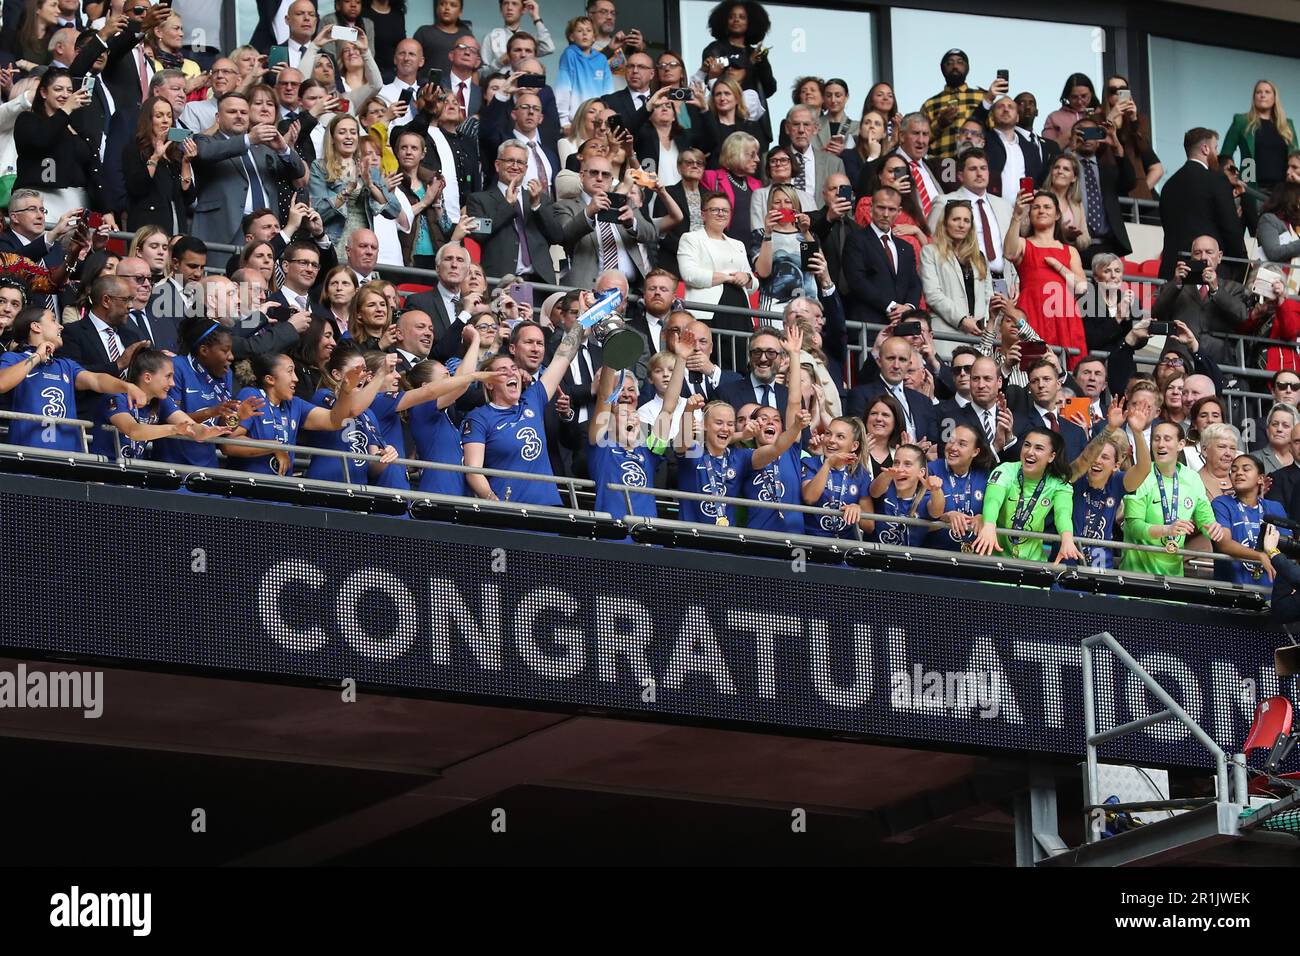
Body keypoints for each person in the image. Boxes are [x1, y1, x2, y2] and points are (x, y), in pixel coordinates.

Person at [460, 313, 586, 505]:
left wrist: (584, 319)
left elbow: (563, 355)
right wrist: (494, 502)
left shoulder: (532, 399)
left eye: (513, 368)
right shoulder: (479, 418)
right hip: (510, 510)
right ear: (489, 383)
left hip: (550, 508)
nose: (512, 372)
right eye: (503, 371)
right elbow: (473, 471)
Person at [0, 305, 146, 452]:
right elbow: (2, 383)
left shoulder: (67, 365)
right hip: (26, 454)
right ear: (36, 327)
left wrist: (126, 387)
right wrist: (37, 356)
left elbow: (97, 380)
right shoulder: (13, 358)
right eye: (53, 320)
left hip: (69, 459)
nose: (60, 327)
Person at [587, 329, 692, 523]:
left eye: (635, 415)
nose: (633, 419)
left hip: (647, 538)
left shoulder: (649, 451)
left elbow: (668, 408)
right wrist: (612, 355)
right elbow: (604, 397)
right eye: (624, 414)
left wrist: (681, 359)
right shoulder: (602, 447)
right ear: (610, 422)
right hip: (612, 535)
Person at [191, 93, 307, 246]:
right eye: (232, 112)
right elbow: (204, 154)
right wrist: (248, 139)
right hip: (222, 228)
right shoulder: (204, 141)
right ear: (218, 118)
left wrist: (282, 149)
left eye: (244, 112)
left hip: (265, 231)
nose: (239, 116)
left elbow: (298, 172)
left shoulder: (264, 148)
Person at [1119, 420, 1226, 575]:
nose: (1161, 444)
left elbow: (1206, 521)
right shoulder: (1142, 476)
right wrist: (1166, 529)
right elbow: (1134, 527)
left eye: (1167, 439)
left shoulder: (1192, 479)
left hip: (1174, 578)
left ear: (1180, 445)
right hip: (1137, 577)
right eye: (1156, 439)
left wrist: (1213, 529)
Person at [91, 347, 231, 460]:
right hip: (104, 476)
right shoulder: (116, 397)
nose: (173, 383)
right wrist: (173, 429)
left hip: (132, 478)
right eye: (168, 376)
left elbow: (190, 426)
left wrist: (203, 432)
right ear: (147, 377)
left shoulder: (162, 401)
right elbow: (134, 431)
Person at [973, 427, 1082, 563]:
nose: (1030, 452)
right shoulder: (1005, 470)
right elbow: (993, 500)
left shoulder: (1059, 483)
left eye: (1039, 448)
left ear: (1051, 456)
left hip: (1033, 564)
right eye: (1027, 445)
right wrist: (989, 525)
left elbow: (1063, 513)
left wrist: (1067, 539)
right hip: (993, 558)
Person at [1003, 190, 1087, 365]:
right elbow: (1009, 253)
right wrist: (1017, 216)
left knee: (1067, 366)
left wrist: (1059, 266)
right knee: (1033, 364)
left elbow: (1082, 287)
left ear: (1057, 214)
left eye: (1047, 207)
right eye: (1036, 207)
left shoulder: (1069, 250)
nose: (1041, 211)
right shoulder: (1023, 243)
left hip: (1064, 314)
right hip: (1032, 308)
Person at [1068, 400, 1151, 570]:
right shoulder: (1075, 477)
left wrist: (1137, 432)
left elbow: (1143, 469)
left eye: (1105, 457)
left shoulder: (1117, 481)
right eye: (1095, 455)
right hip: (1068, 560)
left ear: (1116, 465)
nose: (1097, 460)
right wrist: (1110, 428)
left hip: (1101, 566)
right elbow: (1084, 459)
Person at [1158, 128, 1248, 280]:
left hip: (1172, 270)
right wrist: (1244, 264)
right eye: (1215, 148)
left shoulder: (1168, 186)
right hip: (1204, 271)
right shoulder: (1216, 181)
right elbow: (1230, 228)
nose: (1216, 154)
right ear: (1205, 149)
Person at [1151, 234, 1252, 364]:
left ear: (1219, 257)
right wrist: (1176, 284)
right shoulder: (1175, 286)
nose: (1203, 257)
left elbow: (1242, 316)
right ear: (1191, 256)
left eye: (1209, 252)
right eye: (1198, 253)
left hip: (1217, 360)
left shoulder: (1234, 288)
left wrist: (1216, 290)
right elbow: (1156, 312)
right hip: (1179, 358)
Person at [13, 67, 96, 221]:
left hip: (77, 202)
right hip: (40, 198)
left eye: (69, 90)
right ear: (44, 92)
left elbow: (92, 165)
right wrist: (65, 111)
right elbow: (41, 140)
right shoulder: (27, 119)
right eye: (58, 89)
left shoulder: (76, 126)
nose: (65, 95)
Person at [676, 191, 756, 335]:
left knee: (740, 353)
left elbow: (753, 283)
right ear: (703, 214)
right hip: (708, 313)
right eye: (714, 210)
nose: (721, 214)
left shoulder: (738, 244)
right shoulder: (690, 239)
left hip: (740, 309)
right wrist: (728, 277)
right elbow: (689, 274)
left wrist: (747, 277)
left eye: (725, 210)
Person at [844, 186, 922, 328]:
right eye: (881, 207)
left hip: (902, 327)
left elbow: (914, 283)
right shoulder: (856, 239)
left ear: (899, 212)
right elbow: (856, 280)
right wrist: (890, 306)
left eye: (891, 209)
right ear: (871, 208)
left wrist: (908, 307)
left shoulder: (906, 247)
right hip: (868, 325)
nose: (886, 214)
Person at [1211, 453, 1286, 586]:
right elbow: (1224, 544)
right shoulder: (1221, 504)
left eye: (1246, 469)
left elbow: (1287, 549)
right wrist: (1259, 556)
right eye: (1233, 470)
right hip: (1232, 590)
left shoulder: (1275, 507)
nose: (1239, 473)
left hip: (1272, 591)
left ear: (1260, 479)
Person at [920, 49, 1002, 162]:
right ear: (942, 69)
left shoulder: (982, 98)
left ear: (967, 68)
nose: (955, 66)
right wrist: (939, 124)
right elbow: (920, 141)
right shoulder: (930, 104)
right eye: (950, 63)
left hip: (975, 165)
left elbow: (994, 135)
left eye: (960, 62)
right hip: (941, 166)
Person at [795, 415, 870, 538]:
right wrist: (828, 464)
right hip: (812, 543)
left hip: (845, 547)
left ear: (854, 446)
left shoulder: (860, 473)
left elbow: (869, 526)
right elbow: (809, 498)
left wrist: (858, 510)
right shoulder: (809, 463)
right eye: (828, 433)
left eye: (840, 436)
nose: (831, 440)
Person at [927, 422, 995, 552]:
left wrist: (984, 517)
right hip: (937, 554)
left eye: (962, 444)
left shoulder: (985, 475)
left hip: (975, 557)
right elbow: (918, 515)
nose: (953, 447)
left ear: (975, 451)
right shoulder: (931, 470)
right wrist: (945, 517)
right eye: (951, 441)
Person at [1219, 81, 1297, 194]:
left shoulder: (1287, 125)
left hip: (1283, 191)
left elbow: (1296, 159)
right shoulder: (1241, 121)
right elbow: (1225, 155)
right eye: (1258, 92)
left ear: (1275, 97)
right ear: (1254, 97)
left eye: (1267, 92)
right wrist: (1232, 176)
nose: (1262, 95)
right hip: (1252, 188)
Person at [866, 443, 945, 547]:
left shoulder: (925, 496)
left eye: (907, 464)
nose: (899, 469)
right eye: (896, 463)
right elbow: (874, 492)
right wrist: (886, 475)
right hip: (878, 556)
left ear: (921, 472)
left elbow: (937, 512)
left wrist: (936, 490)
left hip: (910, 560)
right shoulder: (885, 486)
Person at [853, 157, 930, 263]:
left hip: (917, 270)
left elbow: (931, 248)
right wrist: (891, 192)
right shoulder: (866, 203)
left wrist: (917, 231)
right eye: (891, 171)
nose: (895, 176)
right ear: (880, 175)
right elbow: (879, 231)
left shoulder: (912, 209)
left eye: (900, 172)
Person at [1101, 75, 1162, 200]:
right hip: (1110, 185)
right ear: (1106, 95)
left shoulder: (1140, 119)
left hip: (1136, 189)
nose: (1118, 94)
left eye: (1123, 90)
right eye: (1113, 91)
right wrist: (1110, 119)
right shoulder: (1096, 119)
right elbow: (1096, 147)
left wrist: (1134, 120)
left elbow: (1144, 148)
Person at [692, 78, 765, 171]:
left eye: (727, 93)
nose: (722, 98)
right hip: (713, 180)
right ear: (713, 99)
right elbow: (708, 145)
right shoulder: (706, 123)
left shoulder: (750, 128)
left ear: (737, 98)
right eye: (718, 94)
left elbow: (754, 161)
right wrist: (705, 111)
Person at [555, 15, 611, 127]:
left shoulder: (602, 59)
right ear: (571, 37)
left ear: (594, 37)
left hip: (600, 120)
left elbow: (608, 92)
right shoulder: (569, 54)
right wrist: (563, 121)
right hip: (575, 120)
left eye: (589, 30)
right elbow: (563, 89)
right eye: (579, 30)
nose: (584, 34)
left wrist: (607, 116)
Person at [413, 0, 474, 73]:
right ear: (437, 8)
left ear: (460, 12)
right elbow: (412, 63)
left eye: (453, 5)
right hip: (425, 83)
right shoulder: (423, 32)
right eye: (442, 4)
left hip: (457, 84)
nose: (447, 8)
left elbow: (474, 70)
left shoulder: (467, 36)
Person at [1043, 73, 1099, 147]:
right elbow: (1048, 150)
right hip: (1065, 157)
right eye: (1074, 97)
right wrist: (1071, 132)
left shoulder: (1100, 113)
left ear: (1091, 94)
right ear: (1067, 97)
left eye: (1084, 96)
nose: (1079, 101)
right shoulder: (1054, 117)